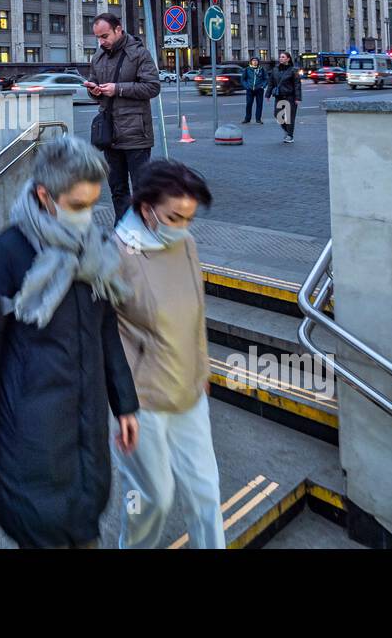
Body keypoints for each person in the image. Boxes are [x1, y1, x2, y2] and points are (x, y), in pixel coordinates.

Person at [0, 136, 140, 549]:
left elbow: (107, 330)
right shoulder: (8, 254)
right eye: (78, 205)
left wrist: (125, 402)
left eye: (93, 204)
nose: (87, 217)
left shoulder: (94, 248)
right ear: (44, 196)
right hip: (29, 437)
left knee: (84, 524)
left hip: (86, 429)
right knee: (44, 527)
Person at [112, 160, 224, 549]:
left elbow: (196, 310)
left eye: (189, 218)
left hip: (189, 390)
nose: (182, 227)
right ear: (146, 208)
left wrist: (203, 368)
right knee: (153, 498)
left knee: (206, 493)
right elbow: (103, 337)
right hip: (143, 400)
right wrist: (120, 403)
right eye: (175, 217)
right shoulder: (116, 255)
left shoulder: (185, 244)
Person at [85, 12, 162, 221]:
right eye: (98, 37)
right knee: (117, 189)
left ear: (118, 29)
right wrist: (94, 90)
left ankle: (144, 233)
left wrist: (118, 89)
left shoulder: (138, 54)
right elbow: (95, 87)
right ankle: (123, 232)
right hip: (110, 135)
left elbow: (153, 87)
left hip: (136, 134)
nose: (101, 42)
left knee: (141, 190)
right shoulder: (98, 57)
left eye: (105, 36)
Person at [265, 51, 302, 143]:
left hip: (290, 97)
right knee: (278, 115)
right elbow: (271, 83)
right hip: (279, 96)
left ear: (288, 59)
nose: (280, 58)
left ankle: (290, 135)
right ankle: (287, 130)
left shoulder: (293, 70)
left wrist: (298, 98)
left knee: (289, 117)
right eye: (280, 57)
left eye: (283, 57)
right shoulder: (275, 69)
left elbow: (297, 85)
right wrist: (268, 95)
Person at [240, 57, 267, 124]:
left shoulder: (261, 69)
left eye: (256, 61)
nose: (255, 62)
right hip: (250, 90)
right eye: (253, 60)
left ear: (258, 62)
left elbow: (266, 79)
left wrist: (263, 86)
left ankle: (258, 119)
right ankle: (247, 119)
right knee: (249, 104)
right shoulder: (247, 69)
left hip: (259, 90)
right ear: (251, 62)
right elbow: (243, 79)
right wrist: (246, 86)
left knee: (259, 105)